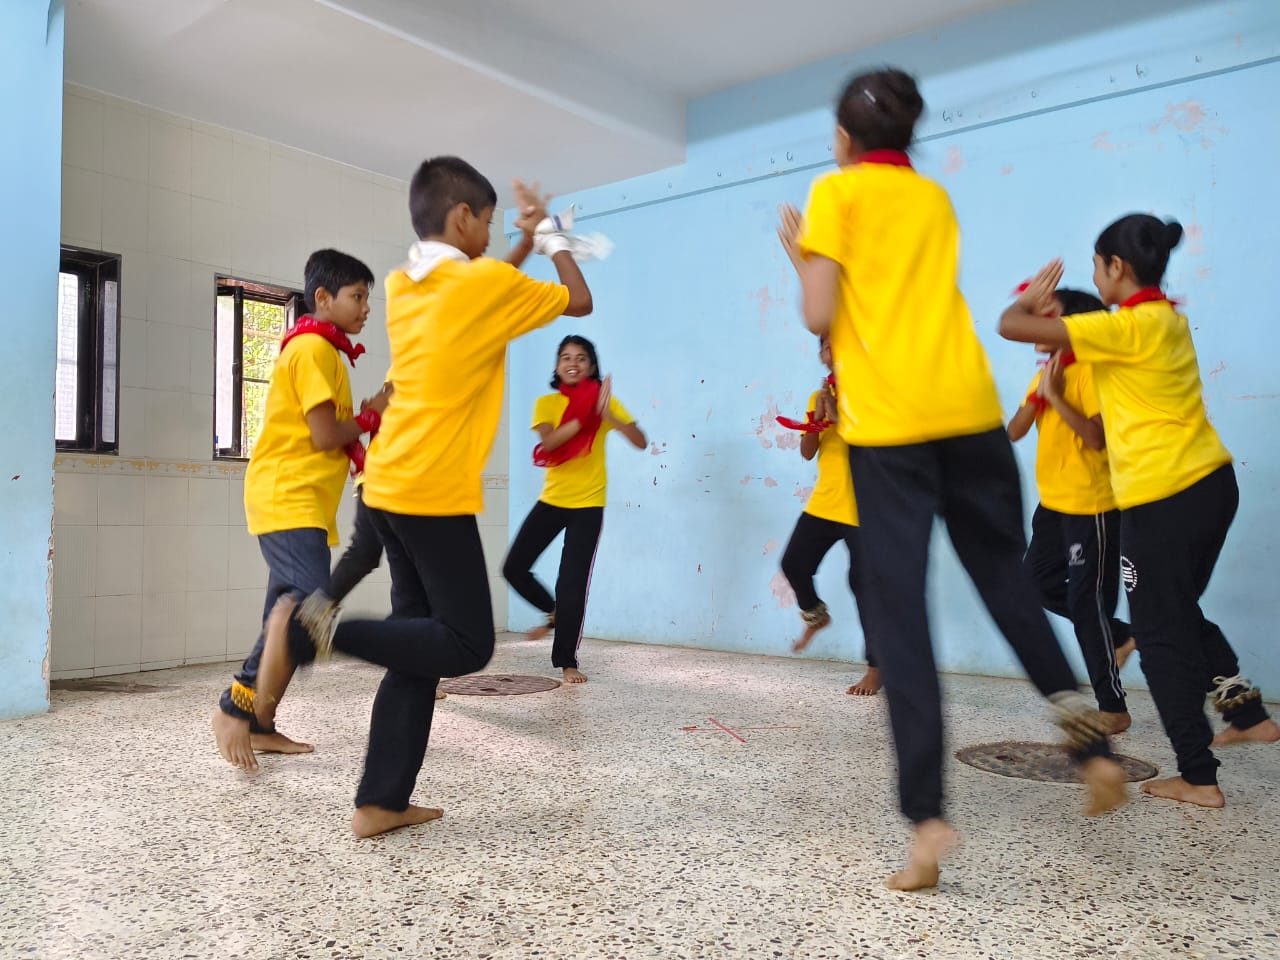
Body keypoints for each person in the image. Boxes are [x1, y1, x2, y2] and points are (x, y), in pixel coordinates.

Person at [777, 67, 1126, 891]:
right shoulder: (931, 197)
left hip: (890, 430)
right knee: (1006, 582)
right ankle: (1093, 749)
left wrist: (802, 258)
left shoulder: (836, 191)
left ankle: (928, 821)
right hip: (969, 412)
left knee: (899, 617)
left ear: (843, 138)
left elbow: (820, 314)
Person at [256, 158, 594, 838]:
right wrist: (553, 236)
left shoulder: (408, 284)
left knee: (417, 646)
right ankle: (309, 630)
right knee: (466, 643)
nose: (494, 236)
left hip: (385, 481)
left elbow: (486, 281)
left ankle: (380, 801)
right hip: (430, 487)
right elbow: (577, 300)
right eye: (489, 223)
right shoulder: (484, 285)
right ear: (464, 218)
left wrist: (521, 243)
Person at [999, 215, 1280, 808]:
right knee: (1175, 613)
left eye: (1097, 265)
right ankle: (1248, 715)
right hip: (1209, 484)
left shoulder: (1126, 326)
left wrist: (1028, 303)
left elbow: (1010, 326)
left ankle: (1198, 777)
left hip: (1163, 497)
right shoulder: (1163, 320)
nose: (1095, 275)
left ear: (1117, 267)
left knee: (1158, 635)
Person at [212, 249, 386, 772]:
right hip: (287, 496)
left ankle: (261, 726)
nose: (366, 308)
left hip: (302, 500)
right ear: (324, 298)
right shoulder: (312, 349)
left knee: (287, 618)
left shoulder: (327, 352)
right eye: (358, 296)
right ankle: (234, 706)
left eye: (368, 298)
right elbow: (326, 434)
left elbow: (330, 431)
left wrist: (368, 410)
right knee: (306, 608)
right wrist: (373, 414)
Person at [1007, 288, 1133, 730]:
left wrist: (1058, 397)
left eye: (1049, 316)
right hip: (1054, 505)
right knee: (1033, 586)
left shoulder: (1095, 373)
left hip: (1091, 506)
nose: (1037, 324)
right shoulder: (1048, 373)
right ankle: (1119, 634)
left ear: (1073, 327)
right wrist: (1041, 396)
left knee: (1086, 602)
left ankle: (1113, 708)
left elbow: (1096, 438)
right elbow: (1015, 430)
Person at [502, 335, 646, 684]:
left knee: (572, 584)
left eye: (581, 358)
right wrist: (585, 417)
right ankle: (553, 611)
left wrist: (607, 415)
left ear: (591, 366)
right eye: (566, 357)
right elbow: (550, 442)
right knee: (513, 567)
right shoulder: (547, 404)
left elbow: (641, 441)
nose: (573, 363)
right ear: (557, 366)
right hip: (552, 501)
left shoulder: (603, 404)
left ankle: (567, 662)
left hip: (588, 504)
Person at [778, 335, 878, 695]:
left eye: (838, 342)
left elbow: (869, 444)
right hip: (825, 502)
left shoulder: (872, 393)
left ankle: (876, 667)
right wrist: (816, 420)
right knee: (794, 564)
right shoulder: (818, 396)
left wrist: (836, 413)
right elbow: (808, 451)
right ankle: (816, 617)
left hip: (866, 506)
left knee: (865, 585)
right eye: (825, 345)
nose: (830, 351)